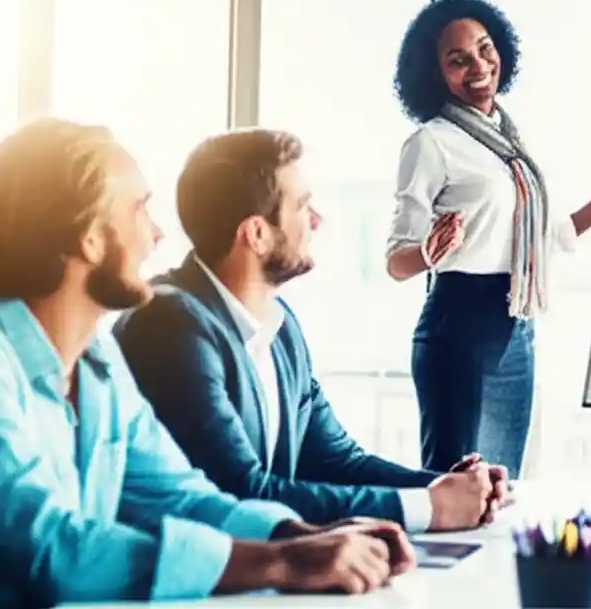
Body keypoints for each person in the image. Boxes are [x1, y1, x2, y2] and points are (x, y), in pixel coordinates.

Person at [0, 120, 414, 606]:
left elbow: (181, 497)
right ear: (90, 238)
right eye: (139, 210)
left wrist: (301, 535)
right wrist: (282, 564)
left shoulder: (98, 358)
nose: (156, 235)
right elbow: (47, 546)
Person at [115, 129, 506, 535]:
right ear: (257, 233)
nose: (317, 220)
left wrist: (447, 488)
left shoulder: (278, 326)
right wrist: (428, 507)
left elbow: (335, 462)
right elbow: (239, 491)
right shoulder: (168, 326)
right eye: (302, 206)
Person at [387, 0, 591, 476]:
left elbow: (552, 236)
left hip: (516, 325)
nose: (477, 65)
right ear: (435, 74)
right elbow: (396, 261)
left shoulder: (512, 144)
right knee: (455, 485)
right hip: (459, 325)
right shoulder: (431, 142)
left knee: (503, 485)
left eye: (485, 49)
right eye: (457, 59)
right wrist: (430, 251)